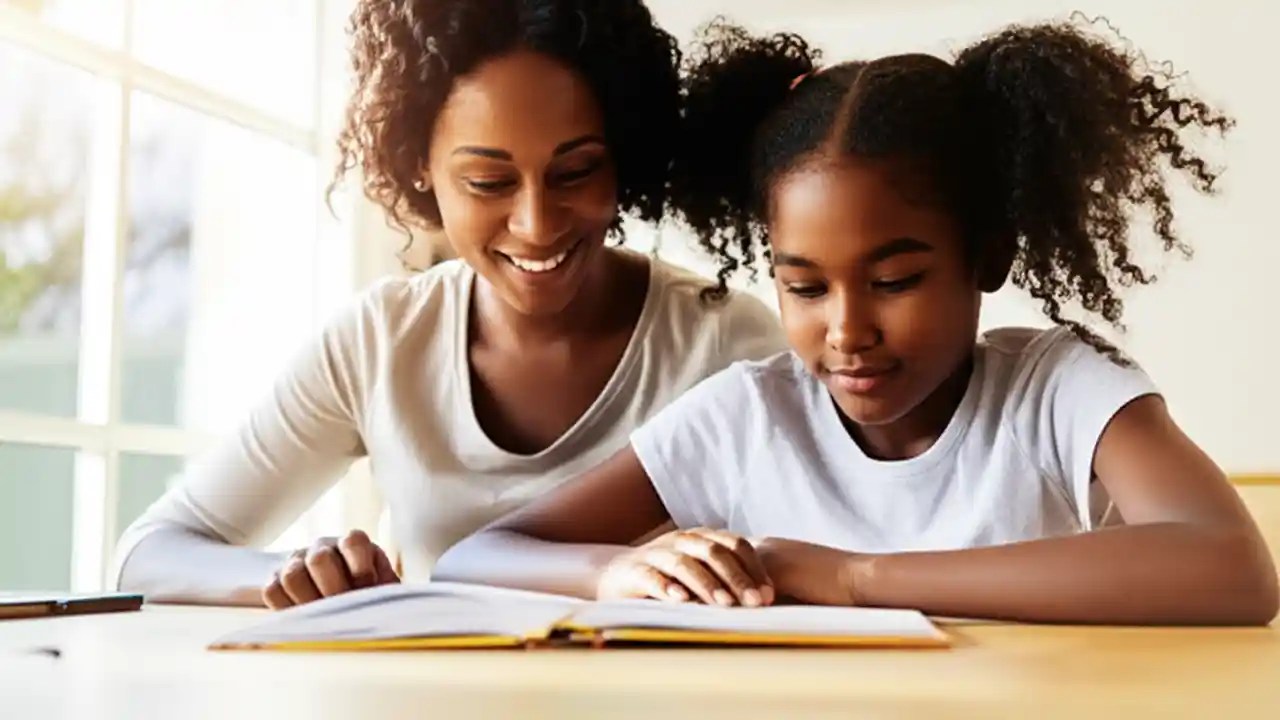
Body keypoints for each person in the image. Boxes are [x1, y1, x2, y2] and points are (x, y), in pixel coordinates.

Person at [434, 19, 1279, 625]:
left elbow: (1232, 568)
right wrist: (618, 570)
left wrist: (852, 576)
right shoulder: (748, 416)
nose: (846, 330)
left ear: (988, 257)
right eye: (803, 288)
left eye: (896, 279)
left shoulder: (1055, 388)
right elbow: (477, 556)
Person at [113, 1, 786, 608]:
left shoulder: (725, 341)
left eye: (575, 172)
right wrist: (288, 574)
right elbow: (147, 555)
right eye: (488, 181)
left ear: (623, 157)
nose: (535, 222)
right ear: (419, 169)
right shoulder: (381, 341)